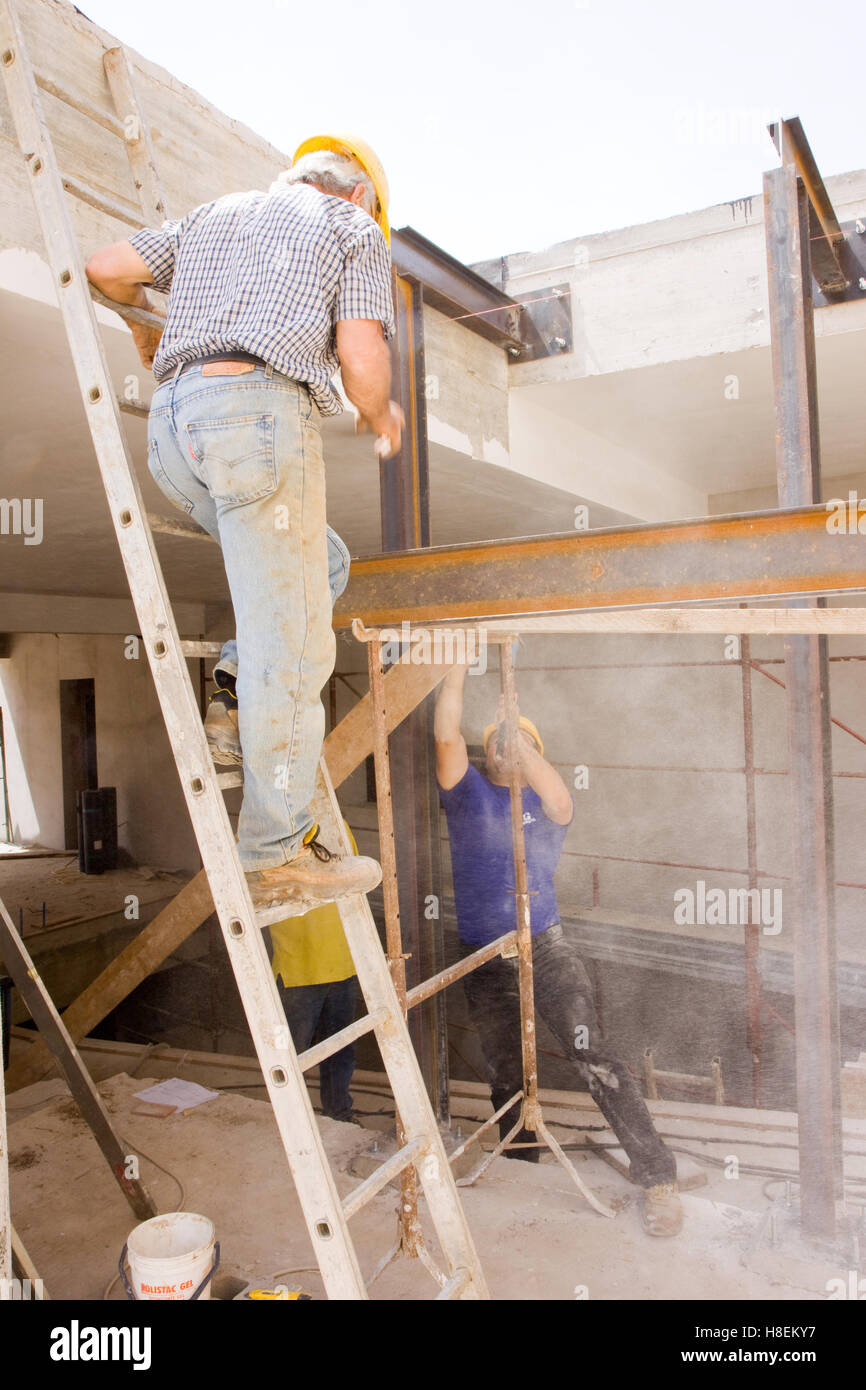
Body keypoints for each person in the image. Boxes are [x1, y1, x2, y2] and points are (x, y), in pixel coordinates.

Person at [85, 134, 402, 914]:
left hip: (176, 436)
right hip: (257, 421)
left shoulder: (214, 214)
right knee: (293, 644)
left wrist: (152, 331)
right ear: (361, 197)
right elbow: (360, 349)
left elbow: (104, 269)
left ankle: (230, 696)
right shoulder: (351, 228)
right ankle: (275, 853)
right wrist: (381, 410)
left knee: (320, 566)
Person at [434, 664, 683, 1237]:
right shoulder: (468, 794)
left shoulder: (547, 809)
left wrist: (518, 742)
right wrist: (452, 672)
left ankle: (657, 1175)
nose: (505, 751)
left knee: (591, 1051)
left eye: (522, 745)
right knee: (505, 1072)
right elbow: (447, 738)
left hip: (545, 948)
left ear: (535, 753)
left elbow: (560, 794)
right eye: (498, 743)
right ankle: (521, 1169)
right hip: (485, 957)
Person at [269, 824, 362, 1123]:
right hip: (299, 966)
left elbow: (354, 881)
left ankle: (339, 1114)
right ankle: (289, 1124)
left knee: (340, 1051)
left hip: (342, 960)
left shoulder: (336, 824)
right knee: (289, 1058)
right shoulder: (265, 828)